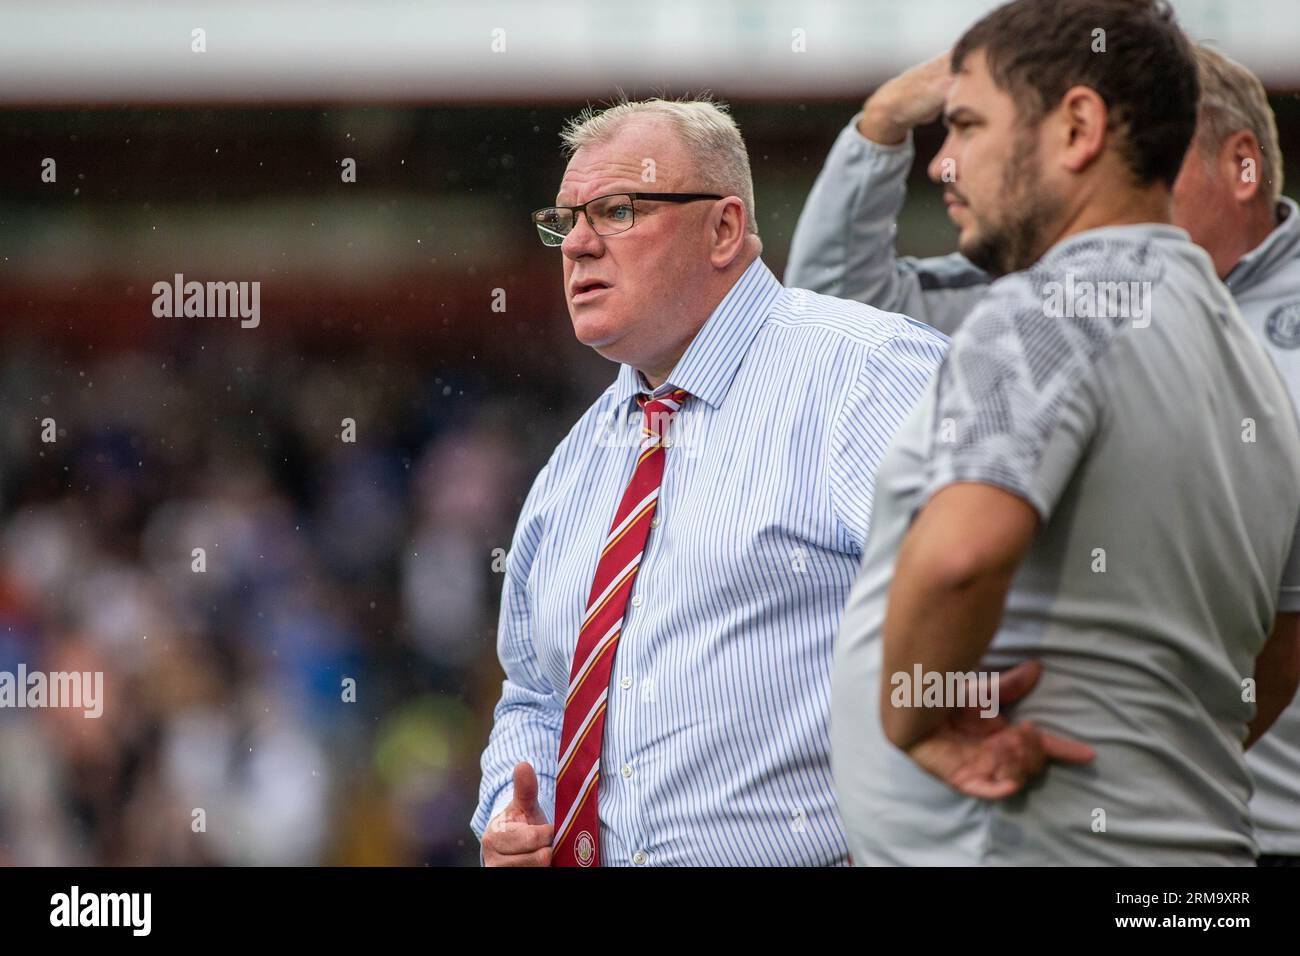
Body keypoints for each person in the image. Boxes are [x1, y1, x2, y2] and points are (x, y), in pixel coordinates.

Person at [828, 0, 1300, 864]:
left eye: (968, 124)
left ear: (1078, 127)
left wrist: (916, 717)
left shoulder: (1046, 308)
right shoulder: (1253, 369)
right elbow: (1283, 645)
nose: (943, 159)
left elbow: (961, 555)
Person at [469, 97, 946, 866]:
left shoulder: (866, 376)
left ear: (724, 229)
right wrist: (509, 818)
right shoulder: (574, 465)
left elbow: (993, 610)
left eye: (617, 211)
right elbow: (532, 695)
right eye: (564, 220)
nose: (578, 244)